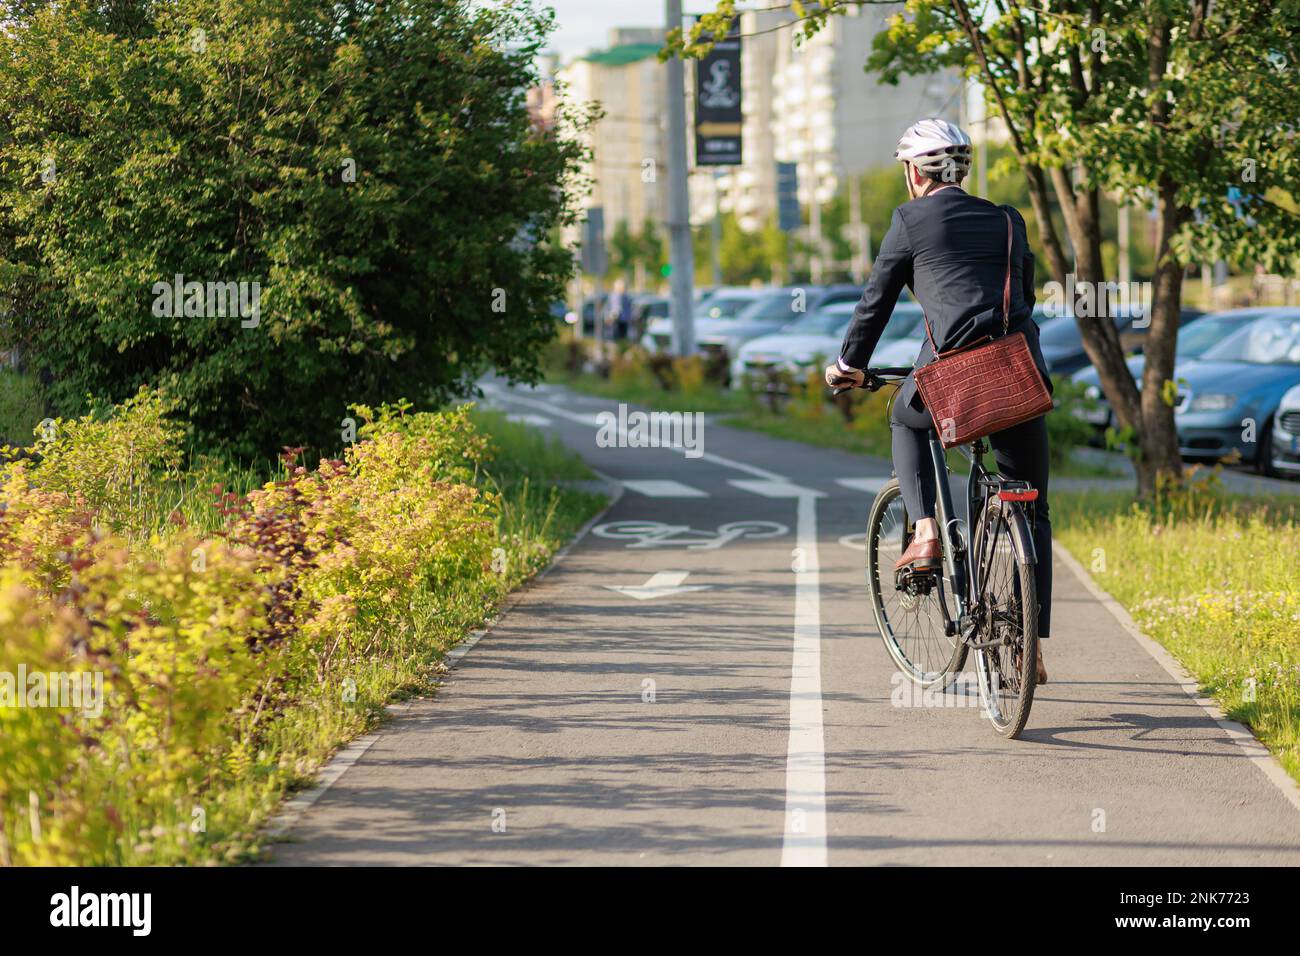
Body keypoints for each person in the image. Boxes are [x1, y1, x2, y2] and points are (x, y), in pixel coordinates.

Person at [824, 118, 1053, 683]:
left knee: (905, 415)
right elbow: (1021, 294)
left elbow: (875, 301)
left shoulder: (909, 221)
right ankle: (1031, 648)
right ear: (961, 170)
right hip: (1019, 373)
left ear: (913, 172)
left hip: (954, 374)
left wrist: (850, 366)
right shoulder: (1008, 220)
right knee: (1031, 504)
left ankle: (924, 529)